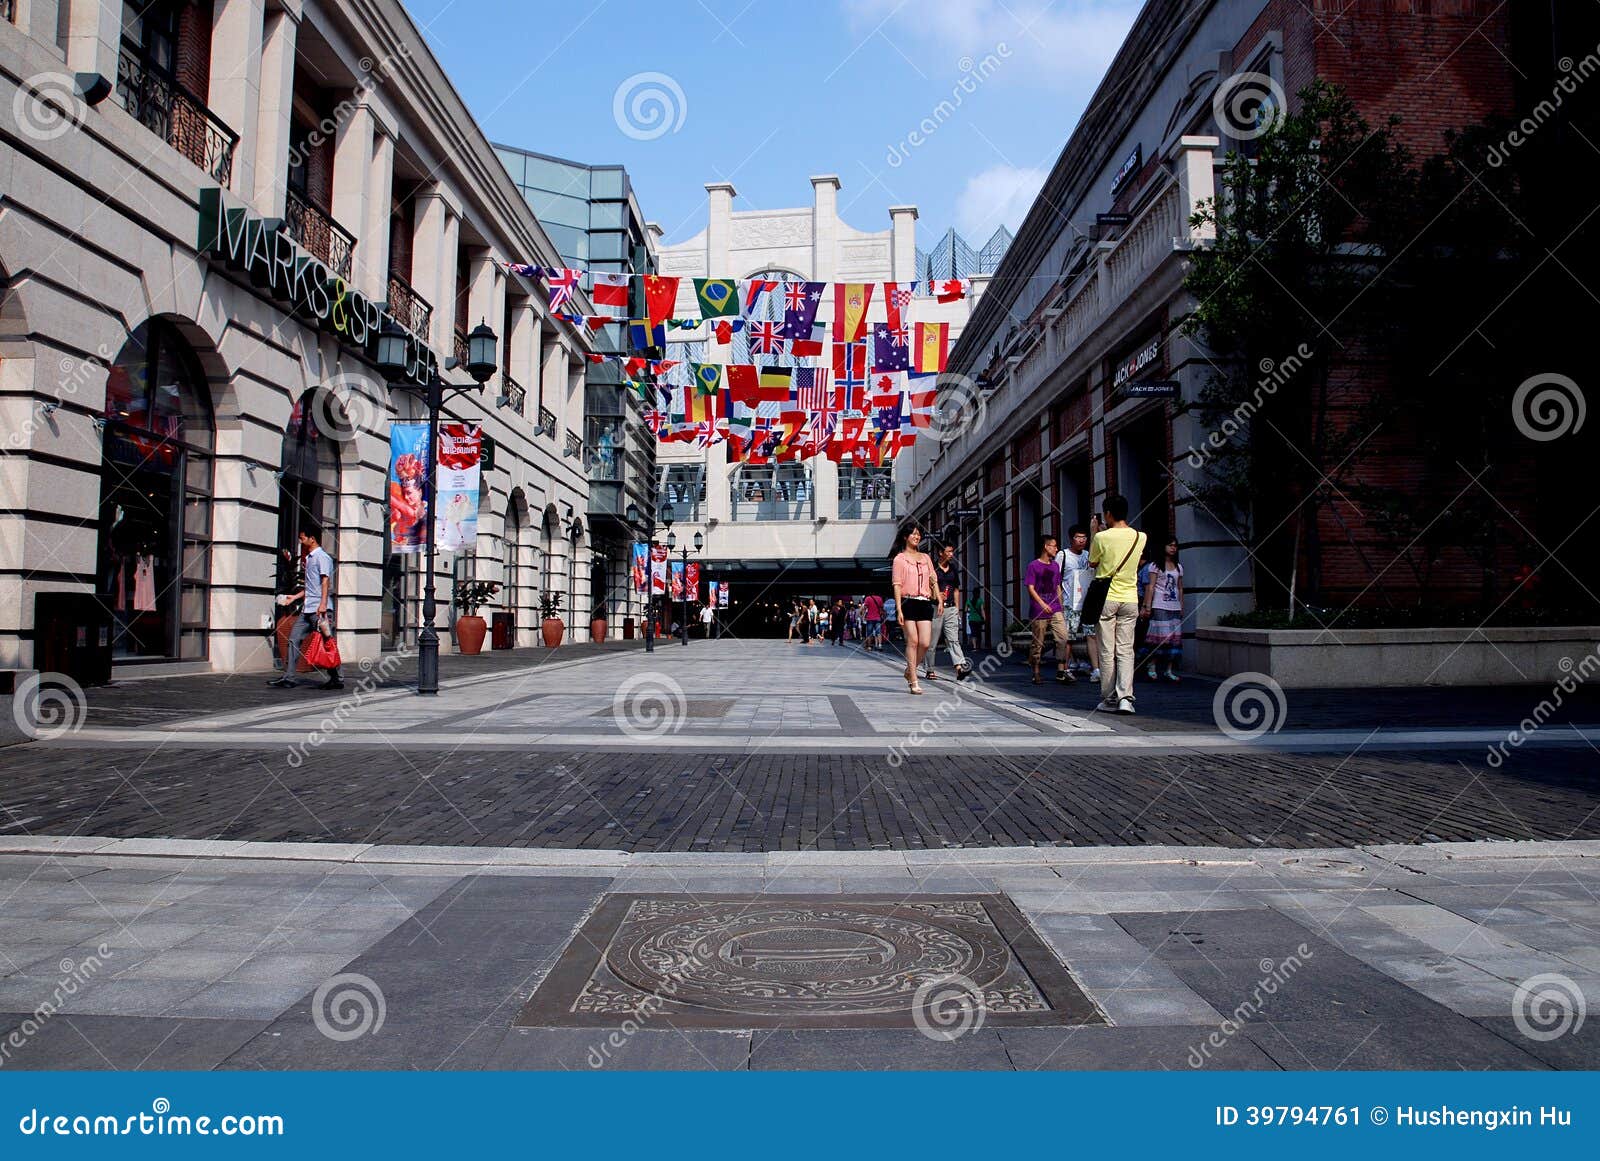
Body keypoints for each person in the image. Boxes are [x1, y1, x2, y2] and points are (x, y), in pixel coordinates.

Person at [268, 524, 343, 691]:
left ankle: (337, 678)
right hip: (307, 609)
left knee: (327, 643)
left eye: (302, 538)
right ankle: (289, 678)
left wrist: (323, 604)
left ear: (312, 539)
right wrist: (294, 597)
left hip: (320, 610)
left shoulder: (322, 557)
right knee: (294, 639)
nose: (300, 541)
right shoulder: (309, 558)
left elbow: (325, 582)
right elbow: (310, 586)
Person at [1089, 495, 1145, 714]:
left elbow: (1092, 562)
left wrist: (1095, 531)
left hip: (1107, 599)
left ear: (1108, 513)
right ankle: (1126, 698)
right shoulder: (1140, 536)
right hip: (1130, 598)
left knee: (1106, 650)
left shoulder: (1101, 537)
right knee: (1125, 650)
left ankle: (1110, 697)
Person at [890, 521, 937, 694]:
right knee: (913, 641)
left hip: (924, 602)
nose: (917, 537)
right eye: (913, 534)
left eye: (918, 534)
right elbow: (897, 585)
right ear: (905, 537)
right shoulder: (899, 559)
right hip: (907, 602)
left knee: (924, 643)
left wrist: (938, 596)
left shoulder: (926, 558)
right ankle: (914, 681)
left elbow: (933, 579)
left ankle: (909, 670)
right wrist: (899, 609)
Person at [1024, 534, 1074, 686]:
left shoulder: (1055, 566)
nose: (1056, 548)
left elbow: (1057, 586)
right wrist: (1041, 603)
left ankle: (1060, 670)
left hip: (1055, 608)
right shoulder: (1033, 566)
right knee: (1038, 643)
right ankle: (1036, 672)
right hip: (1039, 609)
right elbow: (1030, 587)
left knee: (1063, 637)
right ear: (1046, 547)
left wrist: (1061, 604)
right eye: (1054, 545)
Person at [925, 542, 970, 681]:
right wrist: (936, 595)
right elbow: (926, 588)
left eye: (952, 551)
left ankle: (959, 667)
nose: (952, 554)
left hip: (950, 608)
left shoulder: (953, 569)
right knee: (932, 641)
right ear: (940, 552)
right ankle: (930, 669)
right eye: (949, 551)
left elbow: (956, 589)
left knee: (953, 639)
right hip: (934, 608)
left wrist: (957, 608)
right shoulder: (932, 569)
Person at [1143, 537, 1184, 681]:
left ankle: (1169, 669)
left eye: (1175, 546)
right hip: (1159, 604)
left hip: (1174, 605)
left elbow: (1179, 587)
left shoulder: (1178, 567)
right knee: (1162, 637)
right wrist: (1148, 606)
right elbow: (1151, 586)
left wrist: (1182, 605)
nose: (1173, 548)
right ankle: (1152, 664)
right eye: (1170, 545)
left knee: (1174, 639)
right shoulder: (1155, 566)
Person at [1061, 525, 1097, 678]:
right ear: (1071, 539)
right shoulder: (1063, 555)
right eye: (1078, 537)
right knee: (1069, 637)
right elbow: (1056, 580)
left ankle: (1097, 669)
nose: (1082, 540)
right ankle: (1065, 668)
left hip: (1087, 601)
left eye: (1084, 537)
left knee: (1091, 634)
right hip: (1070, 602)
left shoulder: (1088, 555)